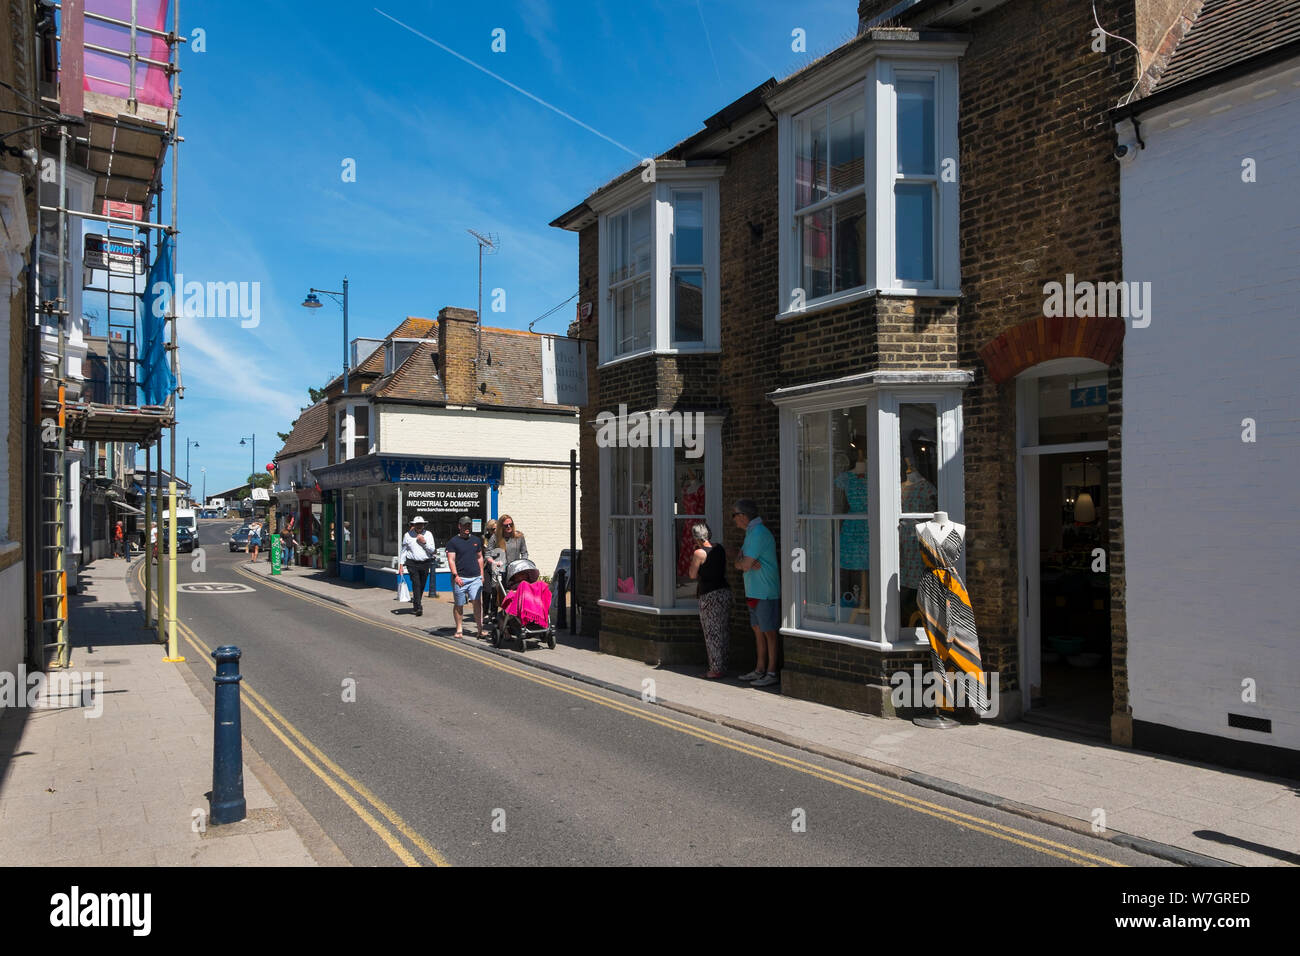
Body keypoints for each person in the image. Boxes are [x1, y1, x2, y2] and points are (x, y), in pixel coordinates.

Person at [732, 498, 781, 687]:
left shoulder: (758, 533)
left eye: (734, 515)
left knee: (769, 632)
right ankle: (760, 669)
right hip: (754, 590)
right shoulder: (751, 533)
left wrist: (744, 563)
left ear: (743, 516)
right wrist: (743, 562)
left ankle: (771, 672)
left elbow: (743, 564)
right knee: (758, 631)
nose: (734, 520)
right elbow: (739, 562)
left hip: (765, 591)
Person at [688, 521, 731, 679]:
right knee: (723, 630)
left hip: (709, 595)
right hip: (724, 592)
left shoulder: (699, 553)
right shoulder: (719, 548)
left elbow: (692, 575)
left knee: (711, 633)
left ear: (696, 538)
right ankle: (723, 666)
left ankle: (715, 669)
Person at [445, 515, 485, 638]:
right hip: (460, 578)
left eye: (469, 525)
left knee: (477, 602)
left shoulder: (476, 540)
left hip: (475, 578)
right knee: (459, 604)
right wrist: (455, 576)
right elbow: (451, 560)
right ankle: (459, 629)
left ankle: (480, 630)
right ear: (459, 526)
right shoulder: (453, 542)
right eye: (465, 525)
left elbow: (480, 557)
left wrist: (482, 575)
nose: (467, 528)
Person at [398, 516, 434, 616]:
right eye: (417, 524)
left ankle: (416, 603)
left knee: (422, 585)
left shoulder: (428, 534)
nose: (419, 526)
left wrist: (424, 542)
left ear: (424, 525)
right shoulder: (407, 535)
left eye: (421, 524)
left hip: (425, 563)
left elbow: (432, 550)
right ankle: (418, 606)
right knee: (416, 583)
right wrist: (401, 565)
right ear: (413, 525)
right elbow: (403, 551)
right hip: (412, 563)